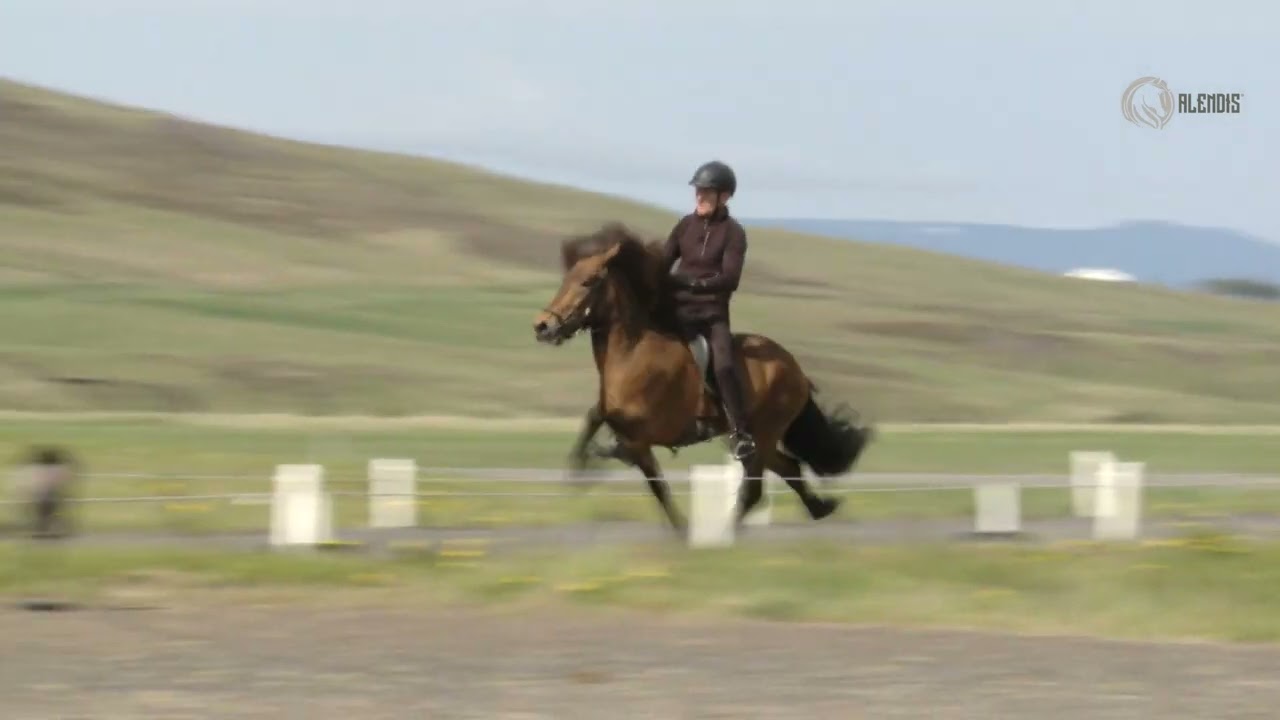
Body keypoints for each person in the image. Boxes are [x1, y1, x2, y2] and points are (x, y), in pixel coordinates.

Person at [662, 160, 756, 461]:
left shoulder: (734, 233)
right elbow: (662, 264)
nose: (699, 197)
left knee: (724, 366)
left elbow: (730, 279)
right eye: (698, 191)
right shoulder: (683, 226)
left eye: (707, 192)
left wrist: (691, 284)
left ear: (724, 196)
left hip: (712, 315)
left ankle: (741, 434)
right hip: (679, 311)